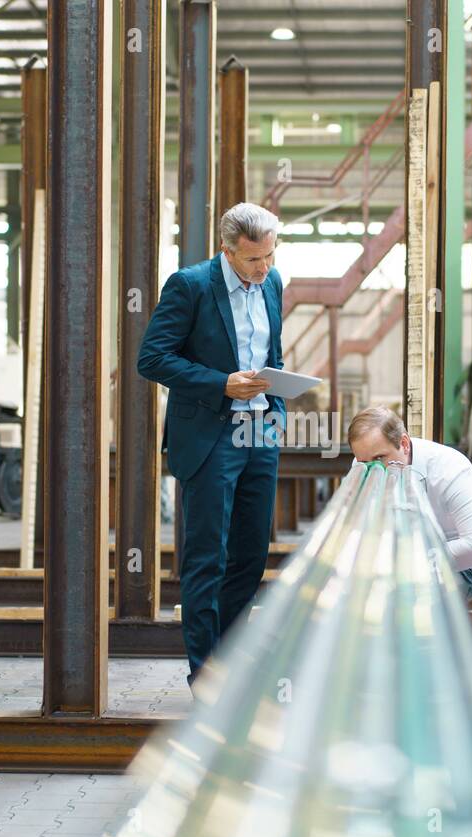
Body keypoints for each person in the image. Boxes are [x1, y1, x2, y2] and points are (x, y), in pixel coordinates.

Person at [136, 202, 285, 685]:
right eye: (252, 260)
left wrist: (279, 401)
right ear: (227, 250)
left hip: (259, 432)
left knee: (251, 554)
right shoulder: (191, 285)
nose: (263, 268)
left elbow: (271, 351)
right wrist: (220, 383)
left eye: (270, 256)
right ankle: (204, 677)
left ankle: (230, 660)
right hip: (209, 433)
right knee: (207, 557)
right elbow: (152, 359)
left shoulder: (273, 284)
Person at [347, 406, 472, 600]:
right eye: (364, 462)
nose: (374, 470)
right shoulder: (364, 465)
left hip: (466, 565)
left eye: (380, 458)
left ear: (404, 444)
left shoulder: (450, 469)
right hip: (401, 553)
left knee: (401, 600)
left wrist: (412, 559)